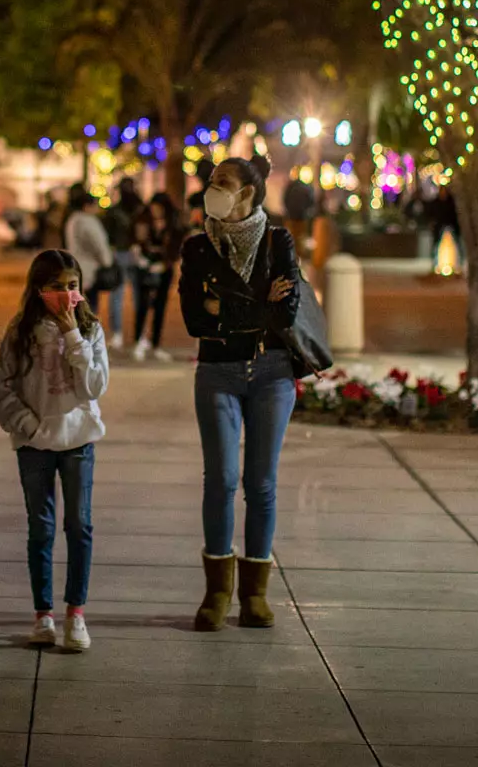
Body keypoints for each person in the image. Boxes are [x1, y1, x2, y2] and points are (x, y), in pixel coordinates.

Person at [179, 157, 300, 633]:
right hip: (217, 372)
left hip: (272, 371)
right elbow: (194, 319)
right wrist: (254, 305)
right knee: (222, 479)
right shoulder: (197, 247)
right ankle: (217, 592)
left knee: (261, 483)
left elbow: (285, 313)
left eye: (223, 184)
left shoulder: (277, 240)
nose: (214, 190)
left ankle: (255, 594)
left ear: (249, 191)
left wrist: (222, 306)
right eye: (212, 183)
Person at [0, 249, 109, 653]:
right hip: (35, 445)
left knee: (79, 525)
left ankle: (76, 613)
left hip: (78, 442)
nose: (66, 294)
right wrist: (30, 427)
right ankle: (43, 615)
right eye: (56, 287)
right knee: (40, 528)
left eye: (72, 286)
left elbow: (93, 387)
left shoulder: (90, 330)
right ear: (39, 289)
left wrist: (73, 336)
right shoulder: (22, 331)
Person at [131, 192, 184, 360]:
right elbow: (135, 242)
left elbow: (176, 248)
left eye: (159, 209)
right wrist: (141, 259)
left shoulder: (173, 225)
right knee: (142, 305)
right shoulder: (143, 221)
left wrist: (165, 264)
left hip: (164, 268)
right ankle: (139, 340)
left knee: (160, 306)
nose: (155, 212)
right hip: (144, 267)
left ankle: (155, 343)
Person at [63, 190, 118, 349]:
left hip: (76, 268)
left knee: (78, 305)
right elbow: (99, 245)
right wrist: (107, 262)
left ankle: (79, 339)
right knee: (89, 307)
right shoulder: (88, 221)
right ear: (87, 206)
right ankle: (87, 341)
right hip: (90, 269)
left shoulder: (72, 220)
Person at [103, 178, 146, 346]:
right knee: (135, 296)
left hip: (121, 253)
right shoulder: (140, 209)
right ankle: (137, 335)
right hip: (133, 254)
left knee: (119, 296)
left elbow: (108, 235)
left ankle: (120, 334)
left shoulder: (115, 211)